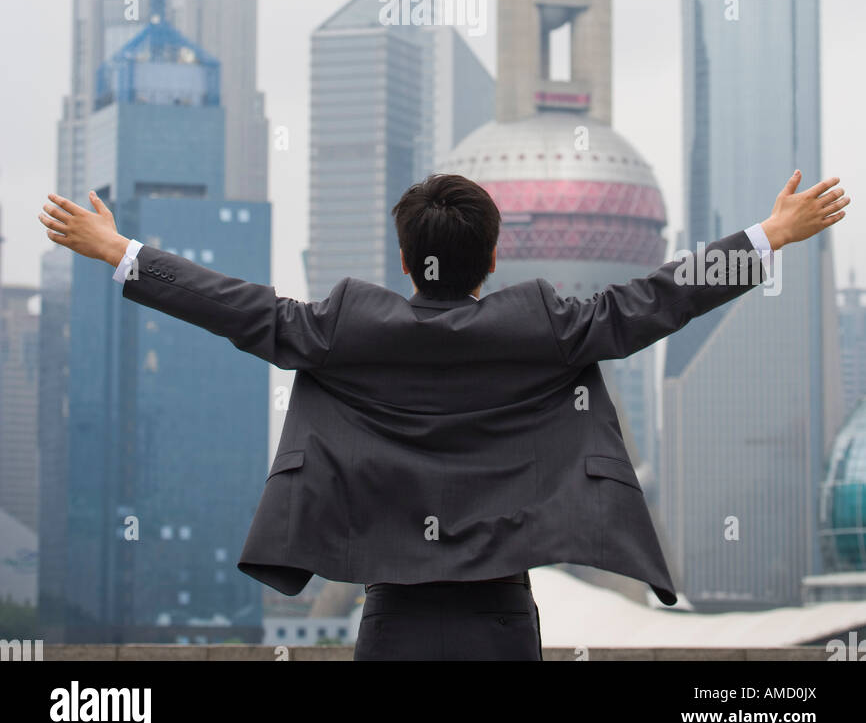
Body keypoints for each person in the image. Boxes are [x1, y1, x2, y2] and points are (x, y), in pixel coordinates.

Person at [39, 167, 848, 662]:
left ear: (403, 261)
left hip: (392, 624)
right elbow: (661, 298)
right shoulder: (544, 326)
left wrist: (119, 252)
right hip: (501, 625)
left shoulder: (346, 327)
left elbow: (239, 307)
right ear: (494, 259)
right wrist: (771, 234)